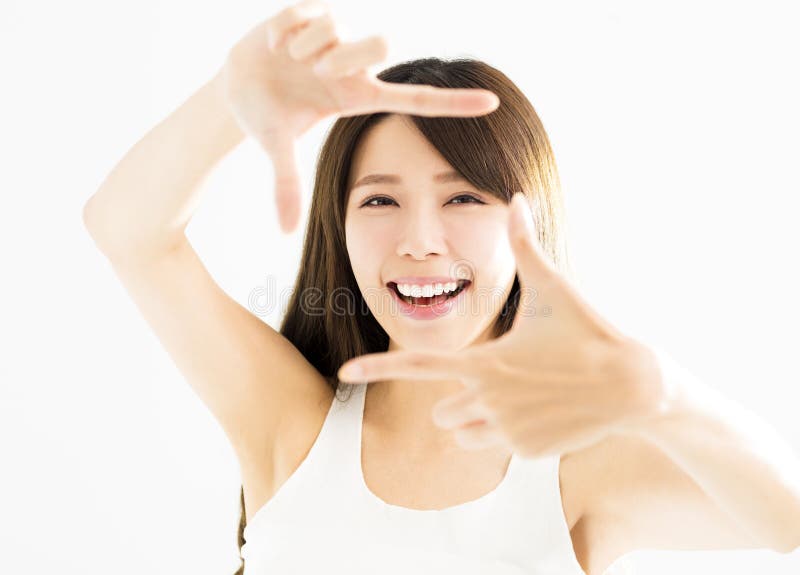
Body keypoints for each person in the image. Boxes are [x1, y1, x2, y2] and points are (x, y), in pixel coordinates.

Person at [82, 1, 800, 574]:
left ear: (529, 220)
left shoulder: (578, 467)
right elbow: (128, 230)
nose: (420, 239)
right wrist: (226, 103)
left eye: (462, 199)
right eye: (379, 200)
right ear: (339, 227)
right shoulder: (293, 425)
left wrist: (660, 392)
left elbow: (788, 521)